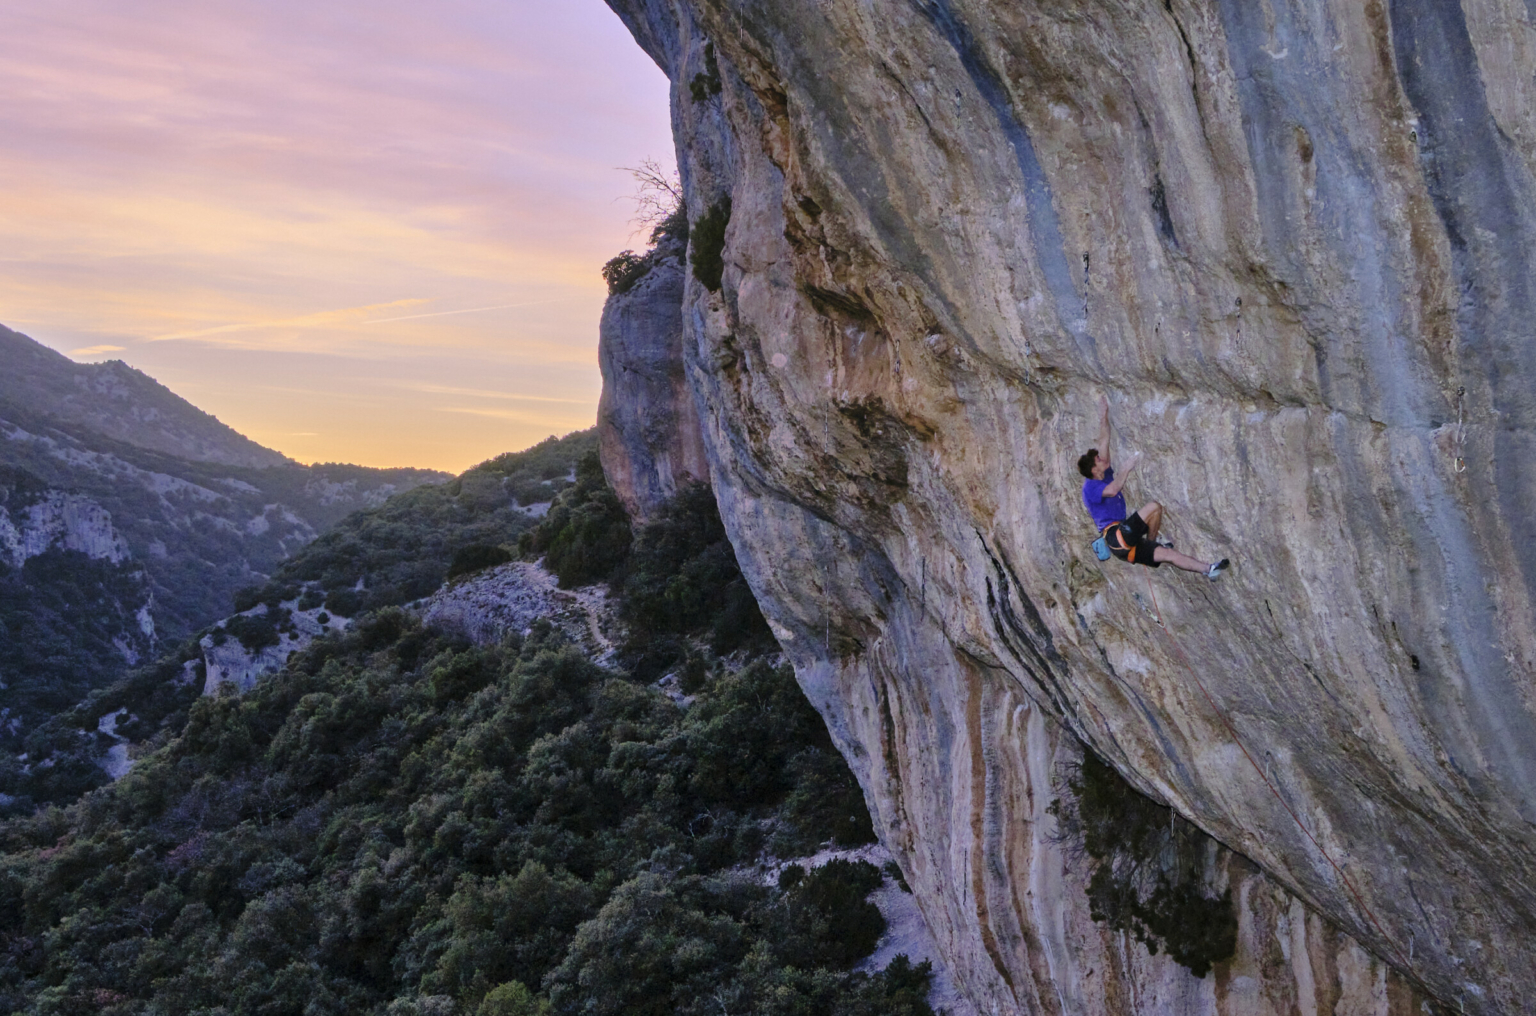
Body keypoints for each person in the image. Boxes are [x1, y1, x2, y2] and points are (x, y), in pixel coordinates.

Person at [1078, 395, 1229, 580]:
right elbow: (1113, 490)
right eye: (1098, 460)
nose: (1103, 459)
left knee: (1168, 554)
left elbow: (1103, 440)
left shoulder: (1104, 473)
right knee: (1153, 507)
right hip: (1115, 537)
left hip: (1125, 542)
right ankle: (1152, 540)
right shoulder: (1090, 487)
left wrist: (1104, 415)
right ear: (1094, 470)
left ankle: (1209, 569)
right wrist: (1126, 468)